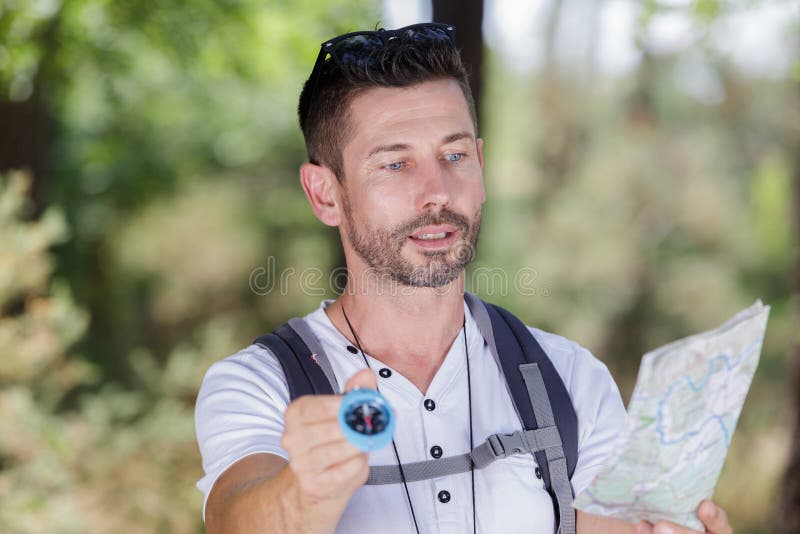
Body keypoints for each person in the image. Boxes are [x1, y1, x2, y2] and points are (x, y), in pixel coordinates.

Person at [194, 23, 733, 534]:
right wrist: (303, 492)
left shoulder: (569, 380)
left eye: (454, 155)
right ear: (324, 194)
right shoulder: (260, 384)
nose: (438, 192)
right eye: (395, 165)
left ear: (480, 163)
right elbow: (233, 519)